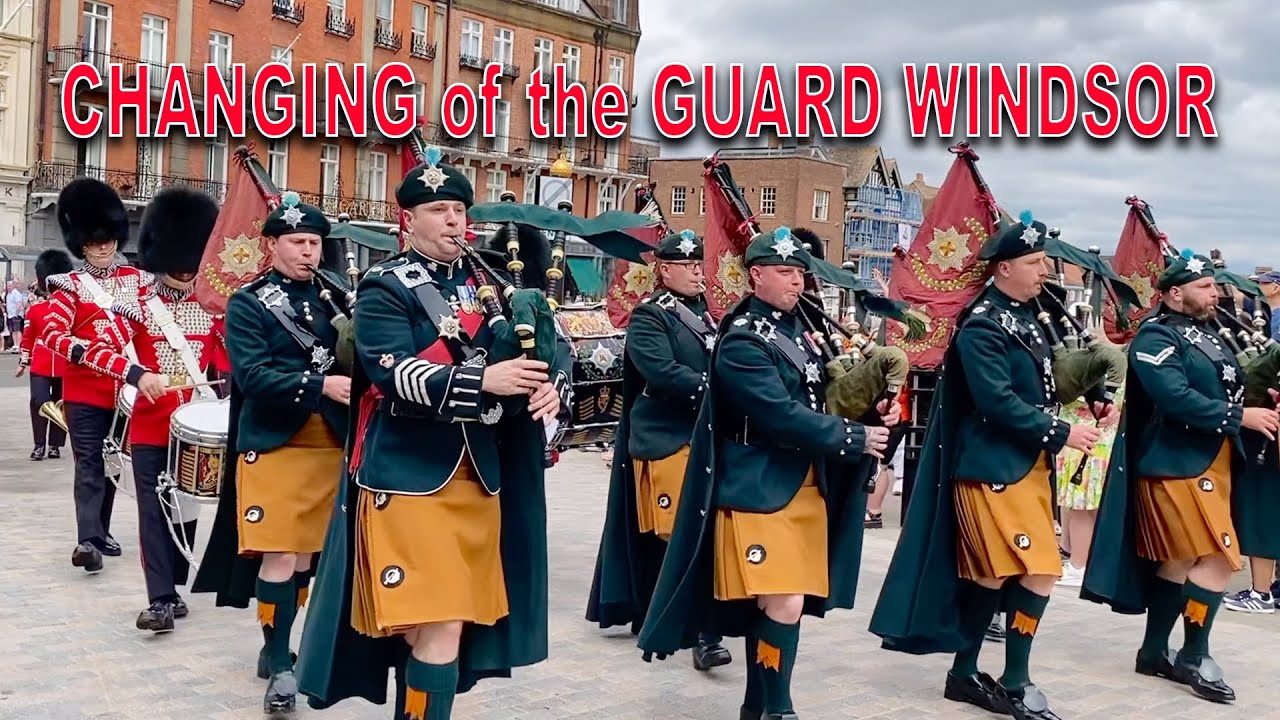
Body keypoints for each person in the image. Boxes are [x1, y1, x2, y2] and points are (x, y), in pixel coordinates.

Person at [296, 149, 571, 719]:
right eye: (440, 210)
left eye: (459, 210)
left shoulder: (490, 282)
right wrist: (485, 380)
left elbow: (551, 347)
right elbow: (391, 371)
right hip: (408, 474)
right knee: (435, 623)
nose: (454, 221)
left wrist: (551, 387)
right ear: (409, 220)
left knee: (444, 629)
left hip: (478, 480)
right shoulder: (385, 286)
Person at [637, 226, 896, 720]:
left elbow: (823, 397)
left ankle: (759, 706)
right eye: (784, 272)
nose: (796, 281)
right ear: (756, 275)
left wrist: (868, 406)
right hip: (757, 484)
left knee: (786, 604)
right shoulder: (741, 339)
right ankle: (778, 709)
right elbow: (779, 413)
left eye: (800, 272)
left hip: (802, 482)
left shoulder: (799, 330)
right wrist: (850, 437)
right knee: (783, 598)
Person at [870, 213, 1116, 720]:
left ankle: (965, 675)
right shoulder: (983, 324)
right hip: (990, 467)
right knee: (1036, 571)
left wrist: (1094, 393)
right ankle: (1014, 679)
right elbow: (996, 401)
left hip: (1021, 466)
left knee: (994, 576)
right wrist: (1062, 432)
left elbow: (1042, 380)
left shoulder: (1027, 315)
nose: (1044, 269)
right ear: (1003, 268)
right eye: (1033, 262)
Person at [1082, 250, 1280, 703]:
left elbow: (1230, 385)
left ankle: (1153, 652)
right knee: (1217, 557)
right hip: (1175, 463)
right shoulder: (1155, 337)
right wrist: (1239, 415)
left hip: (1212, 459)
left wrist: (1261, 399)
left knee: (1178, 562)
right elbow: (1175, 398)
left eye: (1213, 286)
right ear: (1175, 293)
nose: (1215, 292)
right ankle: (1194, 654)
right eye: (1205, 286)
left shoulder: (1211, 334)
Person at [191, 191, 352, 713]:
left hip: (329, 440)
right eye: (298, 242)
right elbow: (254, 375)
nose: (309, 252)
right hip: (276, 441)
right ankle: (281, 663)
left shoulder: (337, 297)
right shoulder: (250, 302)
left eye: (315, 242)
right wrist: (321, 385)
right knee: (281, 551)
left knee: (306, 553)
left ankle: (277, 643)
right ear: (274, 245)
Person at [586, 228, 731, 670]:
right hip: (667, 438)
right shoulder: (650, 315)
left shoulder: (710, 315)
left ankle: (687, 620)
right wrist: (719, 389)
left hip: (704, 437)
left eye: (697, 264)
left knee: (701, 535)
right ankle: (700, 633)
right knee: (681, 536)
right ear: (664, 269)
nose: (694, 272)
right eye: (685, 266)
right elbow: (661, 371)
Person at [80, 188, 223, 633]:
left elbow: (232, 363)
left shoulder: (216, 309)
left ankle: (176, 586)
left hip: (197, 423)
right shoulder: (137, 305)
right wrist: (136, 373)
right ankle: (160, 597)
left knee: (188, 509)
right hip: (150, 427)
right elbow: (92, 348)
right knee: (152, 514)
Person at [42, 177, 151, 574]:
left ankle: (100, 531)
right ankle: (87, 540)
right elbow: (54, 335)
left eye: (107, 240)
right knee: (88, 462)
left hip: (126, 393)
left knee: (111, 463)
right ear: (81, 244)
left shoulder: (139, 282)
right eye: (93, 242)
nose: (102, 247)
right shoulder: (68, 286)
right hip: (85, 391)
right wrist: (98, 357)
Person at [18, 251, 73, 460]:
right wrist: (24, 362)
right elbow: (28, 337)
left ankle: (55, 445)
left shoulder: (71, 308)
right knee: (39, 401)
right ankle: (39, 444)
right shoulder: (36, 309)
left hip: (63, 363)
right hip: (41, 364)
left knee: (61, 402)